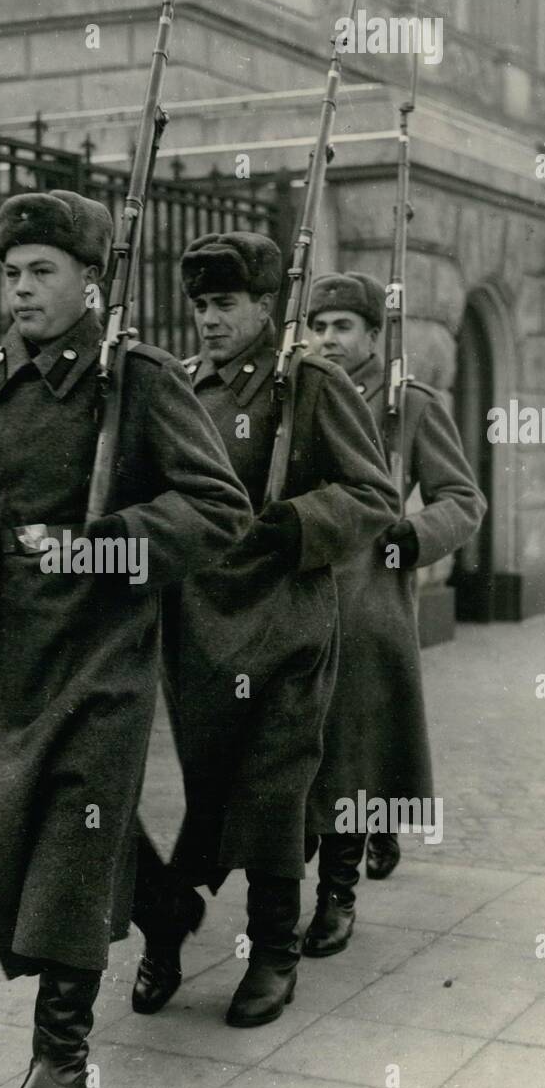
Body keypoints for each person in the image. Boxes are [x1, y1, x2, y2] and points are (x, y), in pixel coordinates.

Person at [0, 191, 252, 1088]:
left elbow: (218, 506)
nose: (19, 291)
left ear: (90, 282)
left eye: (41, 272)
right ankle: (168, 910)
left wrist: (110, 542)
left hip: (105, 655)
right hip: (9, 656)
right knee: (13, 831)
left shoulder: (134, 380)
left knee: (69, 837)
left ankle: (60, 1055)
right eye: (10, 273)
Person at [130, 232, 400, 1028]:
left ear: (261, 306)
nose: (209, 320)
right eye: (199, 306)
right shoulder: (178, 387)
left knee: (277, 792)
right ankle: (167, 923)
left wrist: (296, 522)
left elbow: (372, 494)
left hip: (287, 625)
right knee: (211, 790)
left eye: (225, 305)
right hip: (201, 630)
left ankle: (273, 949)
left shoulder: (308, 385)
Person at [302, 271, 486, 955]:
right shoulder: (296, 393)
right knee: (310, 739)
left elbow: (461, 499)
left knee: (353, 735)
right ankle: (369, 822)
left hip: (369, 593)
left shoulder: (406, 405)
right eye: (318, 326)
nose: (327, 339)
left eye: (342, 327)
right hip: (299, 588)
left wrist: (414, 534)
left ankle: (336, 895)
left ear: (374, 336)